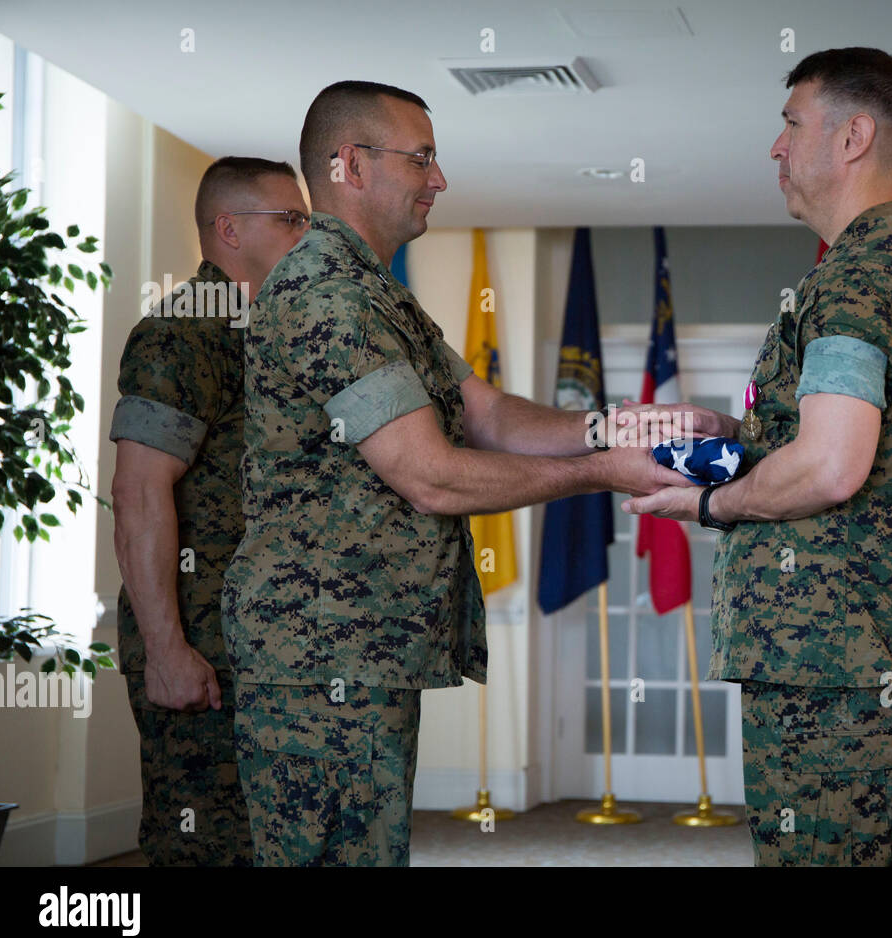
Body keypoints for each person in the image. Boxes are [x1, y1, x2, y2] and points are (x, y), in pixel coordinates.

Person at [222, 80, 726, 866]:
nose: (439, 178)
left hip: (359, 648)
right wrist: (608, 470)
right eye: (420, 157)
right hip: (319, 654)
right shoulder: (326, 294)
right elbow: (432, 476)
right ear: (350, 165)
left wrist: (621, 425)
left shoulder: (376, 294)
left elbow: (486, 414)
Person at [626, 47, 892, 866]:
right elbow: (826, 444)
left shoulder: (858, 278)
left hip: (833, 661)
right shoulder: (889, 267)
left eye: (789, 125)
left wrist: (710, 504)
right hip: (853, 653)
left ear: (853, 138)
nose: (775, 148)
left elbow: (830, 467)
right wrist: (729, 437)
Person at [110, 156, 309, 865]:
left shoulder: (270, 335)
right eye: (289, 220)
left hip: (268, 651)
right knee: (203, 846)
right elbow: (137, 493)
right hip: (203, 651)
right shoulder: (181, 335)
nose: (305, 235)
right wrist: (167, 651)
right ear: (228, 229)